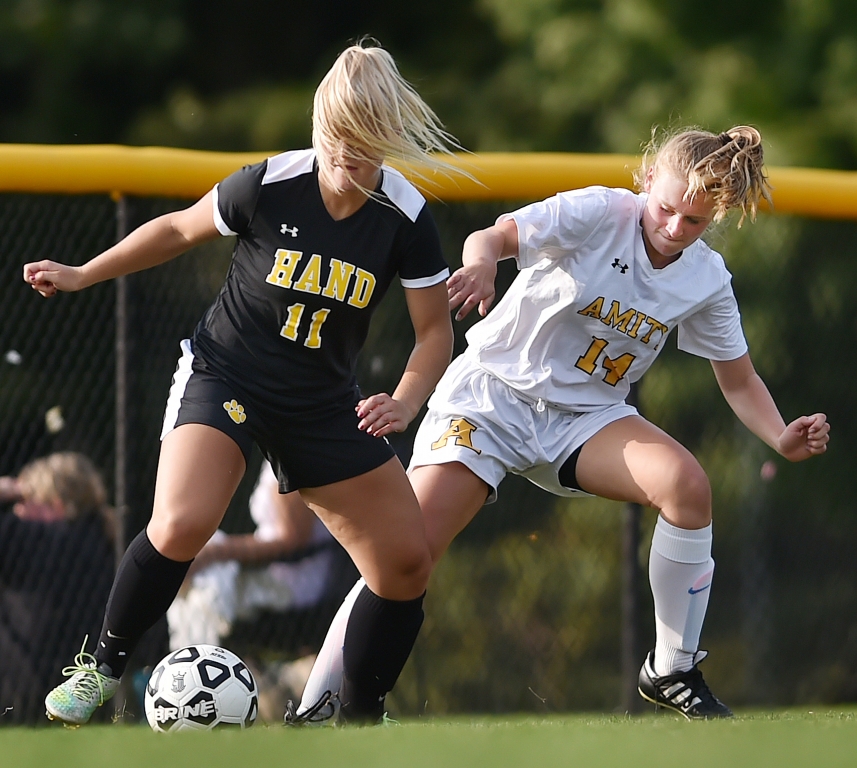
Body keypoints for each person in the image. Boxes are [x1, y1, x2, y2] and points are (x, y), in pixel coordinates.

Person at [295, 125, 831, 722]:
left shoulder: (705, 278)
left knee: (688, 487)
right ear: (647, 178)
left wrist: (780, 434)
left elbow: (738, 380)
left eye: (695, 222)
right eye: (667, 208)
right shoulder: (601, 211)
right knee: (405, 551)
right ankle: (321, 703)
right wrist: (480, 267)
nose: (675, 228)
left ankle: (673, 668)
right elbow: (490, 236)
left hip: (585, 418)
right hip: (491, 398)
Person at [24, 39, 461, 726]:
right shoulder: (272, 181)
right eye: (338, 139)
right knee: (182, 522)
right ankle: (100, 668)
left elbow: (434, 333)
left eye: (365, 142)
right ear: (321, 128)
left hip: (321, 401)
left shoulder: (403, 217)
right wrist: (83, 273)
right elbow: (174, 228)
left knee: (405, 564)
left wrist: (406, 400)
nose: (347, 157)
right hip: (227, 372)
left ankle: (360, 715)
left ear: (389, 138)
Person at [166, 459, 339, 651]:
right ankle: (189, 661)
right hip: (272, 567)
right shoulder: (276, 455)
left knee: (208, 579)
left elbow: (290, 542)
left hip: (292, 578)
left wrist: (214, 553)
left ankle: (200, 662)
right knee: (196, 570)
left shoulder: (292, 459)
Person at [0, 452, 115, 725]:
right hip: (88, 698)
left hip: (22, 694)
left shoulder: (35, 541)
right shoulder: (104, 539)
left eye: (25, 501)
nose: (18, 511)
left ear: (56, 506)